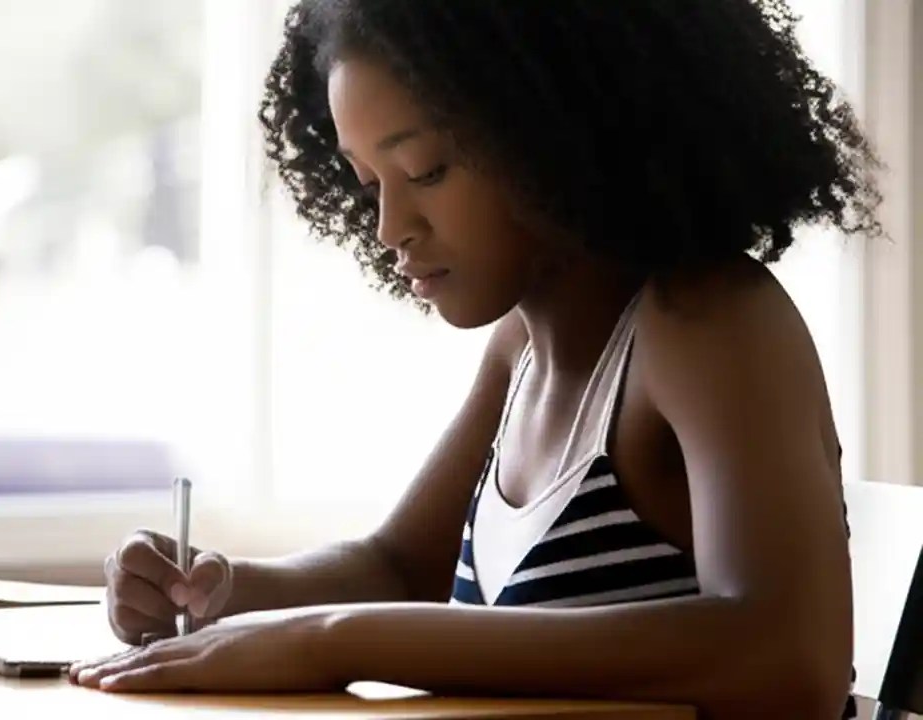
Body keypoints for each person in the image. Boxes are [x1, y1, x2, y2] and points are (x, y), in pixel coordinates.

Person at [66, 1, 882, 718]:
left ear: (556, 128)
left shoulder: (707, 323)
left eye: (424, 170)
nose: (390, 226)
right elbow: (396, 567)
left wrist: (333, 641)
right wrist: (220, 592)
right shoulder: (523, 349)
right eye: (365, 180)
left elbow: (788, 664)